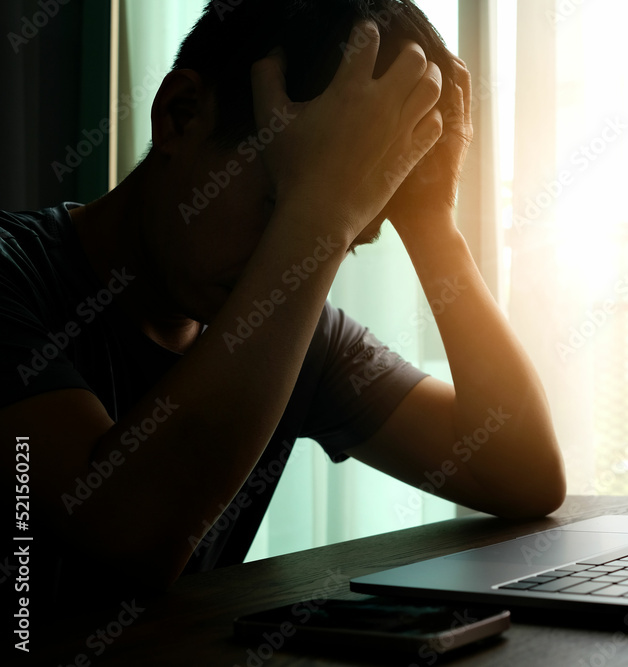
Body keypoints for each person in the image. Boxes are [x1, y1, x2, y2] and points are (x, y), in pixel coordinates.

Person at [0, 0, 564, 603]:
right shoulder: (14, 275)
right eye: (282, 204)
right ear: (180, 115)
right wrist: (318, 214)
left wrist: (429, 221)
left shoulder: (303, 338)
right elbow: (131, 535)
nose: (301, 261)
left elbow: (520, 476)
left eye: (343, 237)